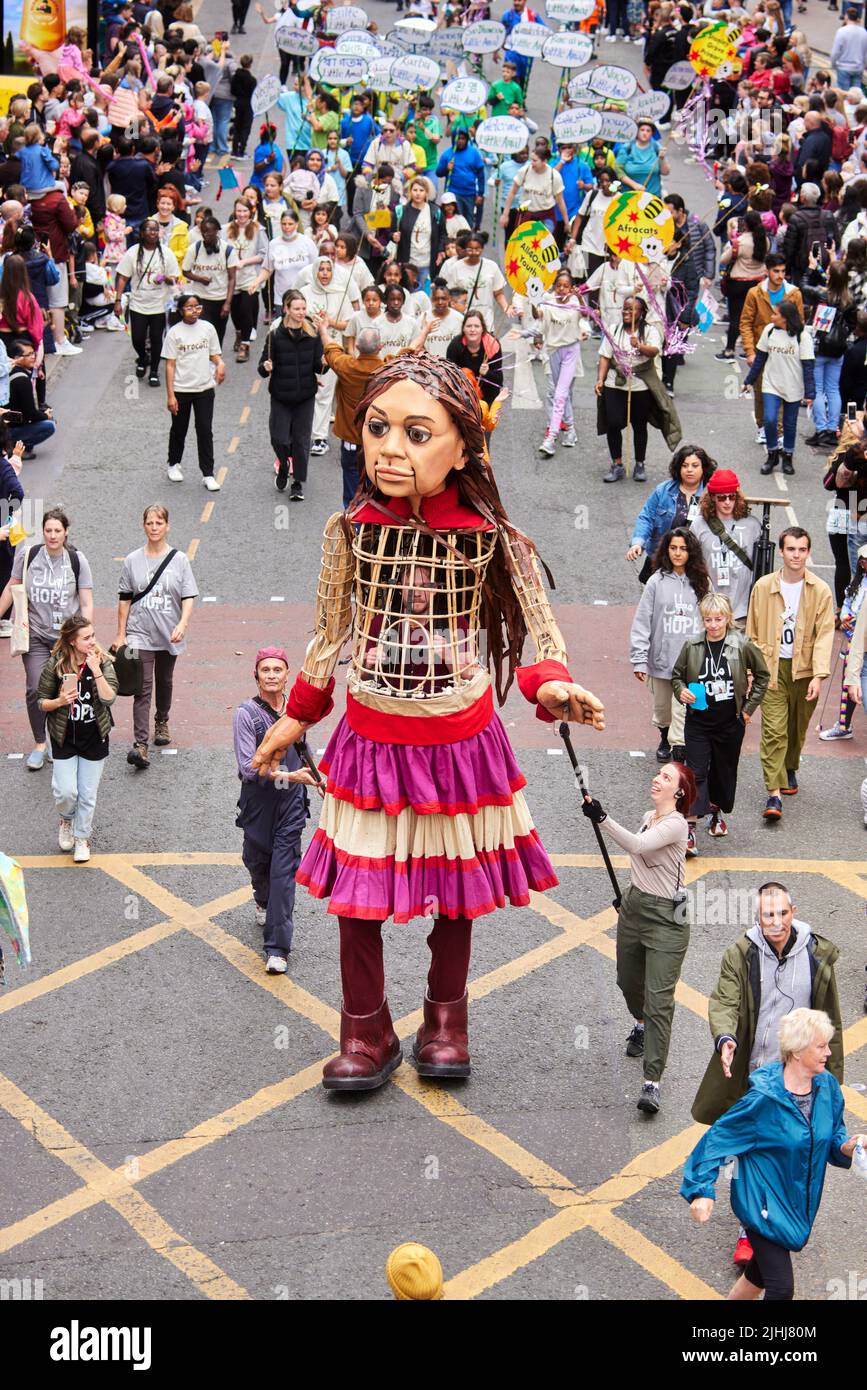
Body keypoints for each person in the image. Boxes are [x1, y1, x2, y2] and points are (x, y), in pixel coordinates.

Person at [250, 353, 605, 1092]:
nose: (388, 449)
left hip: (458, 740)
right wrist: (296, 716)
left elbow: (537, 628)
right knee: (355, 898)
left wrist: (554, 684)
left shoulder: (489, 533)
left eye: (416, 433)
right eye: (377, 429)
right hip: (369, 738)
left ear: (463, 446)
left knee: (457, 893)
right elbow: (328, 633)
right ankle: (366, 1030)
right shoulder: (349, 529)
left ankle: (447, 1022)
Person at [690, 883, 843, 1269]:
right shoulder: (740, 954)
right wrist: (726, 1039)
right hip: (757, 1074)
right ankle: (750, 1227)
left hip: (799, 1070)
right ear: (757, 917)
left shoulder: (816, 954)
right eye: (766, 916)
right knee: (750, 1151)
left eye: (782, 914)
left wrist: (830, 1075)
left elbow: (831, 1016)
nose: (775, 923)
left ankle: (778, 1219)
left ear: (794, 910)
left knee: (787, 1152)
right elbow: (724, 999)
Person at [682, 1007, 864, 1301]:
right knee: (780, 1288)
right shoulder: (762, 1102)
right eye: (820, 1046)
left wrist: (848, 1146)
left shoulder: (827, 1087)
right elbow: (717, 1140)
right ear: (796, 1050)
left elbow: (833, 1138)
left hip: (795, 1205)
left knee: (758, 1274)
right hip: (762, 1206)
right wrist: (701, 1191)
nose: (829, 1052)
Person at [582, 761, 696, 1115]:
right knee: (628, 982)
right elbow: (640, 859)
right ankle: (641, 1023)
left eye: (666, 777)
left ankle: (652, 1082)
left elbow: (638, 845)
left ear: (679, 792)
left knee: (659, 999)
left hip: (667, 920)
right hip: (635, 907)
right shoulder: (650, 815)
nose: (657, 778)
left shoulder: (677, 825)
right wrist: (629, 897)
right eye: (658, 773)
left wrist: (601, 818)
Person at [233, 647, 315, 975]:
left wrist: (318, 776)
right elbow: (247, 768)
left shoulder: (296, 712)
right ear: (256, 676)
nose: (271, 675)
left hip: (291, 804)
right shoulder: (245, 715)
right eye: (265, 670)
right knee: (257, 861)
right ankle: (261, 897)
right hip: (258, 803)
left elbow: (303, 746)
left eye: (277, 670)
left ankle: (277, 948)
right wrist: (288, 775)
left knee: (284, 875)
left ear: (286, 675)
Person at [747, 527, 835, 820]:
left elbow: (824, 636)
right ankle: (773, 794)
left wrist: (819, 676)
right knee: (774, 730)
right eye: (791, 549)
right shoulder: (763, 587)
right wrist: (751, 669)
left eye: (801, 550)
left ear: (808, 553)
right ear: (781, 552)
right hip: (771, 669)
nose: (796, 555)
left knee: (797, 727)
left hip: (805, 670)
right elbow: (753, 631)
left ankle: (790, 765)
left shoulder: (820, 590)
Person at [672, 594, 769, 850]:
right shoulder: (692, 645)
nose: (713, 625)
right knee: (695, 772)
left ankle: (715, 814)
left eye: (718, 619)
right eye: (708, 619)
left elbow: (762, 677)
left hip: (729, 723)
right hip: (698, 723)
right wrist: (680, 691)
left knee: (723, 771)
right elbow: (676, 676)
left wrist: (748, 710)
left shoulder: (742, 645)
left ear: (728, 618)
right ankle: (689, 827)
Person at [1, 508, 93, 771]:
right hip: (36, 635)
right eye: (48, 530)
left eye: (57, 531)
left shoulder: (77, 560)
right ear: (43, 532)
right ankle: (40, 743)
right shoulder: (29, 555)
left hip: (66, 640)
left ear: (66, 533)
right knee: (35, 688)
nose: (52, 535)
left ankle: (59, 739)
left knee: (64, 691)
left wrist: (85, 636)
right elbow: (12, 586)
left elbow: (86, 603)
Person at [115, 504, 198, 772]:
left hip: (169, 633)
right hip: (139, 634)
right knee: (143, 687)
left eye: (158, 523)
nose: (153, 528)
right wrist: (121, 634)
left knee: (165, 680)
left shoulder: (180, 560)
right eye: (149, 523)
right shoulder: (131, 560)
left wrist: (183, 624)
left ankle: (162, 719)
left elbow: (188, 596)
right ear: (143, 526)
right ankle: (140, 744)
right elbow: (125, 599)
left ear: (167, 526)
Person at [36, 616, 118, 864]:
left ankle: (82, 838)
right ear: (72, 641)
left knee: (87, 794)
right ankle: (66, 819)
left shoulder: (102, 662)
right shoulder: (56, 664)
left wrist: (96, 671)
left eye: (93, 635)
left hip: (94, 736)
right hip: (64, 737)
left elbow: (109, 698)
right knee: (65, 793)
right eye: (86, 638)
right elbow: (40, 702)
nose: (93, 641)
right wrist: (60, 701)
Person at [631, 527, 710, 762]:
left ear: (691, 552)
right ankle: (664, 737)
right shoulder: (656, 581)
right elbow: (643, 620)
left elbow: (712, 615)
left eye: (683, 549)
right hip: (662, 660)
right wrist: (639, 659)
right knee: (664, 710)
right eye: (673, 548)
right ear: (666, 550)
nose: (678, 553)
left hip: (692, 663)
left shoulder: (701, 582)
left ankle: (679, 752)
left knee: (684, 709)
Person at [258, 287, 323, 500]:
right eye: (296, 308)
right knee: (279, 438)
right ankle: (284, 464)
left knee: (301, 441)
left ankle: (297, 484)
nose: (301, 312)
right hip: (281, 396)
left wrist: (325, 364)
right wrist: (266, 367)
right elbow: (262, 368)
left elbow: (317, 366)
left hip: (305, 396)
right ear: (286, 309)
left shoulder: (313, 334)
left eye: (303, 308)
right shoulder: (275, 336)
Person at [595, 296, 668, 484]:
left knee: (639, 425)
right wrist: (600, 380)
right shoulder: (613, 330)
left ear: (641, 313)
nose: (626, 312)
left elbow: (654, 351)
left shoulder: (650, 331)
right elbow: (604, 356)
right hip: (615, 384)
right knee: (613, 422)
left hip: (640, 386)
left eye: (631, 309)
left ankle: (640, 464)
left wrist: (639, 346)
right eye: (625, 309)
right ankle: (617, 464)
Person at [314, 312, 383, 507]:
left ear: (358, 347)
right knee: (378, 483)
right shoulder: (387, 368)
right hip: (378, 442)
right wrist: (426, 331)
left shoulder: (347, 366)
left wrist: (322, 328)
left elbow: (331, 348)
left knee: (351, 483)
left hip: (351, 442)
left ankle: (353, 521)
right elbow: (409, 350)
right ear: (380, 347)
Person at [743, 299, 815, 477]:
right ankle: (772, 454)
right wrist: (748, 381)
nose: (772, 316)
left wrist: (810, 393)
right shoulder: (769, 331)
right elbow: (760, 359)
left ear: (785, 318)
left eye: (775, 314)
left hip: (793, 386)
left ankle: (788, 457)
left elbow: (808, 367)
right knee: (769, 419)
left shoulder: (802, 337)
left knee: (790, 424)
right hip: (771, 383)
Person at [161, 293, 225, 492]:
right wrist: (171, 395)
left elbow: (214, 354)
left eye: (197, 307)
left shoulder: (208, 328)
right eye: (189, 308)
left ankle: (208, 473)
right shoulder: (174, 333)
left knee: (205, 430)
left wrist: (220, 364)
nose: (194, 311)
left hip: (205, 388)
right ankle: (174, 464)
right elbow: (170, 365)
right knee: (179, 429)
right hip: (181, 389)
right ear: (180, 310)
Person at [739, 255, 805, 448]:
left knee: (785, 390)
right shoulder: (755, 293)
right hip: (762, 351)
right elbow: (745, 323)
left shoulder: (794, 294)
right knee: (761, 391)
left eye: (783, 271)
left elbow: (799, 322)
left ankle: (780, 430)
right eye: (776, 271)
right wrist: (750, 351)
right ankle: (763, 427)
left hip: (786, 352)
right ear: (766, 271)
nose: (780, 275)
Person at [626, 445, 715, 583]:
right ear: (678, 468)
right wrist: (637, 543)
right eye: (685, 465)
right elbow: (646, 517)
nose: (689, 470)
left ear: (703, 468)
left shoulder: (712, 494)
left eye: (695, 465)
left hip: (695, 562)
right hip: (662, 558)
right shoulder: (663, 491)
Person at [303, 256, 359, 456]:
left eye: (328, 269)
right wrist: (312, 323)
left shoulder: (340, 293)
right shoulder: (305, 293)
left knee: (325, 393)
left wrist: (330, 324)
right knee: (309, 392)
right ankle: (302, 434)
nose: (325, 273)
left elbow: (350, 323)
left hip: (332, 349)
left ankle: (319, 437)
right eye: (321, 269)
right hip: (307, 349)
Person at [690, 470, 762, 627]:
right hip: (711, 609)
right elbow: (693, 563)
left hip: (743, 609)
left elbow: (761, 566)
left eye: (732, 496)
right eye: (722, 497)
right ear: (713, 497)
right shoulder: (699, 525)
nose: (727, 502)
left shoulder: (753, 525)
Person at [115, 219, 180, 387]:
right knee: (137, 338)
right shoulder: (133, 252)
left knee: (157, 338)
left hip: (159, 304)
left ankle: (153, 371)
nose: (152, 232)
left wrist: (165, 278)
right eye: (149, 229)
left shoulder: (166, 253)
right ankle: (143, 358)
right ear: (142, 233)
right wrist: (117, 300)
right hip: (138, 303)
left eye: (155, 229)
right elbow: (122, 276)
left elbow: (175, 279)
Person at [532, 270, 590, 456]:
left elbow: (586, 315)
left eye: (566, 286)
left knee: (560, 394)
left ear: (571, 288)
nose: (562, 289)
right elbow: (538, 315)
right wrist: (533, 301)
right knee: (559, 394)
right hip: (552, 352)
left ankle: (550, 438)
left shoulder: (574, 304)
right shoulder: (548, 302)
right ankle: (571, 430)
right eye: (559, 286)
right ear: (554, 287)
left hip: (570, 352)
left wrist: (580, 298)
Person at [801, 259, 857, 448]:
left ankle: (821, 429)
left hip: (819, 347)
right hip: (838, 350)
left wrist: (810, 269)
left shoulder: (822, 295)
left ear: (830, 277)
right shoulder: (850, 301)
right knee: (833, 389)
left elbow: (803, 286)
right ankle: (833, 430)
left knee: (817, 389)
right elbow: (852, 325)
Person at [716, 210, 768, 360]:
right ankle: (750, 350)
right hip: (758, 282)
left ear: (745, 224)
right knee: (753, 317)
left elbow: (723, 260)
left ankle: (729, 349)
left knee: (736, 317)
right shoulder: (765, 241)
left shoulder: (739, 243)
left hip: (738, 283)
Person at [181, 215, 237, 346]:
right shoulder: (194, 249)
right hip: (201, 299)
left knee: (218, 335)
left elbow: (232, 278)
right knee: (202, 334)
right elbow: (185, 271)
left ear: (217, 231)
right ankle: (203, 362)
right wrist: (200, 278)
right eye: (203, 232)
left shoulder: (227, 250)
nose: (206, 235)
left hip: (220, 299)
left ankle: (216, 362)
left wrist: (228, 303)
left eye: (209, 231)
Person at [225, 197, 268, 364]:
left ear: (251, 211)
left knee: (246, 309)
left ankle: (245, 344)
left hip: (250, 276)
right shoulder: (226, 229)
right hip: (232, 278)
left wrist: (244, 262)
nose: (242, 214)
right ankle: (238, 333)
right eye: (239, 211)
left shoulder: (258, 229)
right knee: (234, 311)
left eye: (245, 211)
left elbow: (264, 253)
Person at [439, 231, 510, 324]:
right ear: (465, 249)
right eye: (470, 249)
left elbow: (498, 293)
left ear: (482, 248)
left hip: (486, 322)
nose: (474, 253)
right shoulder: (456, 268)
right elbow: (449, 295)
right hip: (462, 322)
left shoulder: (492, 266)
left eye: (477, 249)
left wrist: (506, 308)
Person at [499, 141, 569, 236]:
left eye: (535, 161)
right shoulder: (525, 171)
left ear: (545, 161)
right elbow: (512, 192)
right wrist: (505, 214)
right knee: (524, 246)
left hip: (546, 215)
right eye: (531, 160)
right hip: (526, 214)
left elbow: (560, 201)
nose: (532, 163)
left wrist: (566, 222)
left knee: (543, 246)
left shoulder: (554, 176)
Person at [390, 178, 446, 289]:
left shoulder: (435, 211)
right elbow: (391, 232)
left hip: (427, 263)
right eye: (415, 190)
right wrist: (393, 236)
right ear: (410, 192)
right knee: (407, 292)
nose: (418, 194)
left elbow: (443, 234)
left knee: (423, 296)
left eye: (421, 190)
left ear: (427, 193)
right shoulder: (400, 211)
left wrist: (440, 250)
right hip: (407, 263)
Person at [5, 337, 55, 458]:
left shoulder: (9, 372)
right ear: (17, 358)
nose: (33, 357)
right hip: (9, 428)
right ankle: (14, 448)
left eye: (33, 353)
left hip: (9, 421)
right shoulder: (21, 379)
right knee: (49, 425)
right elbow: (29, 413)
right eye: (28, 355)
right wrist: (45, 416)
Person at [446, 309, 503, 410]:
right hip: (463, 394)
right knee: (465, 372)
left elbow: (499, 380)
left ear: (483, 329)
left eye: (477, 326)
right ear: (463, 328)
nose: (472, 330)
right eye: (469, 326)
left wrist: (487, 373)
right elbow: (449, 377)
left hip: (487, 394)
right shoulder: (455, 346)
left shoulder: (492, 344)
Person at [435, 129, 485, 229]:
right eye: (458, 139)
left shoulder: (474, 153)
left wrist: (480, 193)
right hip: (454, 193)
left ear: (466, 139)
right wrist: (446, 168)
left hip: (470, 193)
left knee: (468, 221)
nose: (460, 141)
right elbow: (438, 173)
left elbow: (480, 174)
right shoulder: (448, 154)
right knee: (455, 220)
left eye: (463, 138)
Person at [410, 280, 463, 360]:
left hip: (453, 366)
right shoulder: (423, 318)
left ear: (449, 299)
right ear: (432, 299)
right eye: (436, 299)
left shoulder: (459, 319)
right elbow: (416, 344)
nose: (440, 302)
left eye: (443, 299)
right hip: (429, 366)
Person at [615, 121, 670, 197]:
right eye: (642, 130)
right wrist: (634, 185)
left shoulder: (657, 148)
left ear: (652, 133)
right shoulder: (627, 148)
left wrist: (662, 159)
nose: (645, 133)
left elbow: (665, 172)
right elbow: (618, 170)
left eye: (648, 131)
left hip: (652, 197)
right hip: (630, 197)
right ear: (637, 132)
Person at [831, 8, 867, 92]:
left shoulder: (841, 31)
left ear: (846, 17)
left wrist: (833, 64)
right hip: (858, 68)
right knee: (856, 95)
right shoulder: (864, 32)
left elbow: (835, 52)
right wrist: (864, 65)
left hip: (844, 68)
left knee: (843, 95)